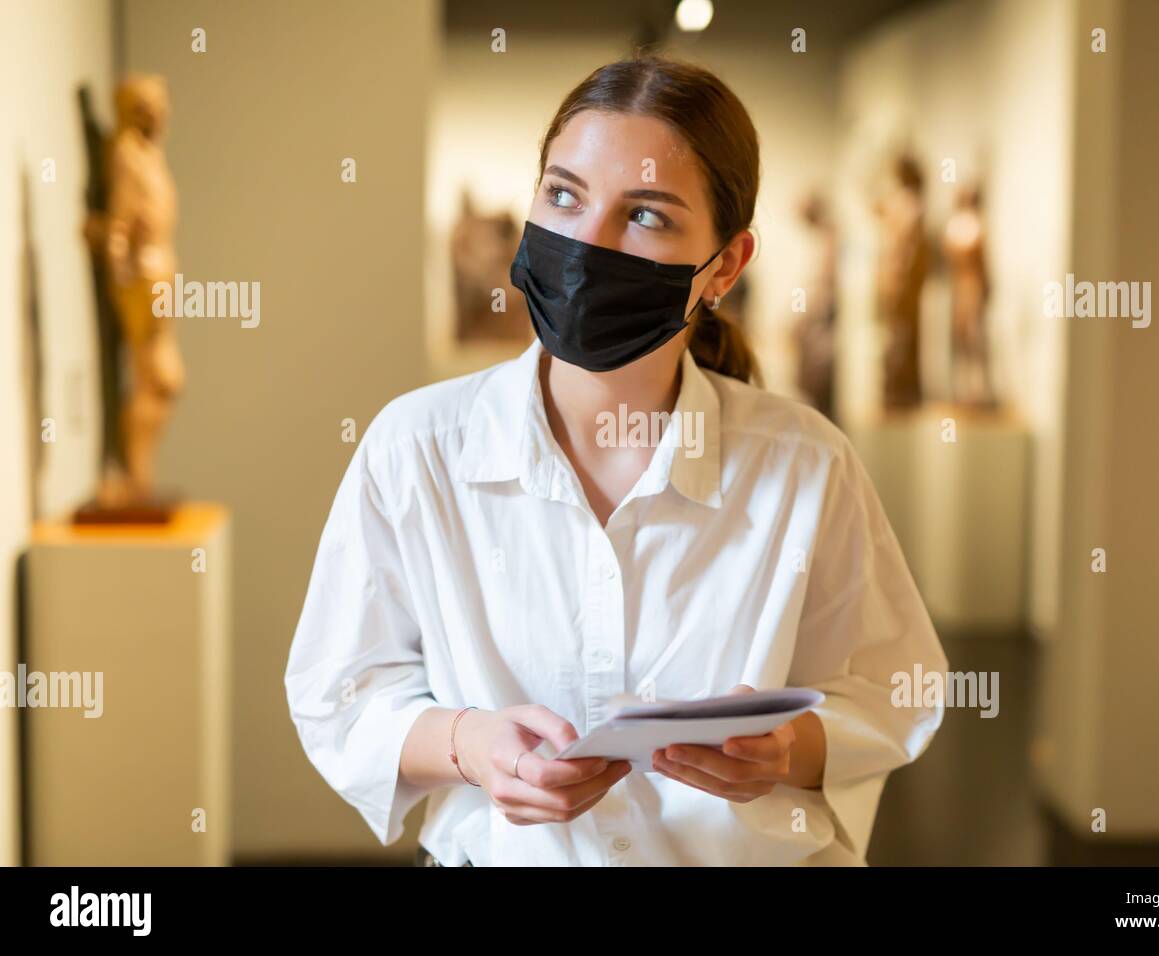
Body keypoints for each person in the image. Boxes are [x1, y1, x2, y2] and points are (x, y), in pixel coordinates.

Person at [285, 53, 947, 867]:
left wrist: (788, 748)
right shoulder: (415, 450)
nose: (585, 243)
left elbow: (895, 689)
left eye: (647, 215)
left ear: (727, 267)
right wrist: (468, 745)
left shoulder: (806, 466)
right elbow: (338, 693)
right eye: (563, 195)